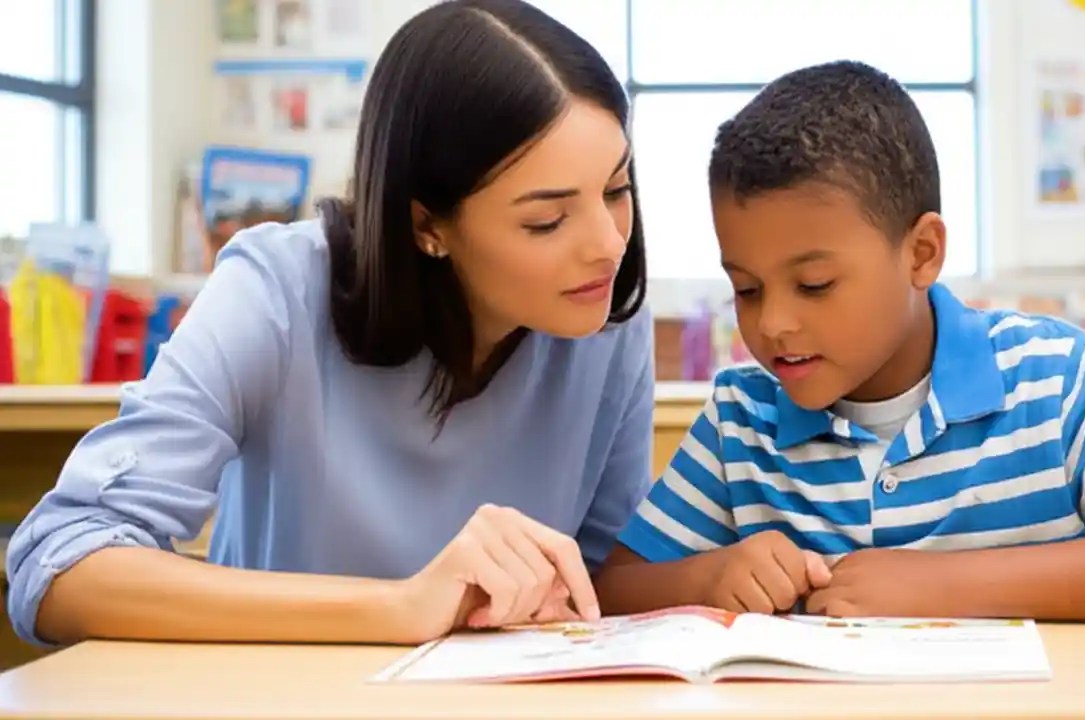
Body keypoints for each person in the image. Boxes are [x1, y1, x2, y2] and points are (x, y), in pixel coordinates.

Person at [7, 0, 654, 647]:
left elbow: (603, 582)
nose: (608, 244)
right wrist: (400, 609)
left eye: (617, 190)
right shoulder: (276, 289)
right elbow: (58, 564)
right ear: (427, 226)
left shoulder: (606, 319)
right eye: (547, 220)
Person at [594, 61, 1085, 622]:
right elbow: (610, 590)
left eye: (816, 284)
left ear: (921, 253)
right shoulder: (743, 422)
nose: (773, 325)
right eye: (746, 289)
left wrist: (940, 586)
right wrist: (706, 579)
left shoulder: (1050, 378)